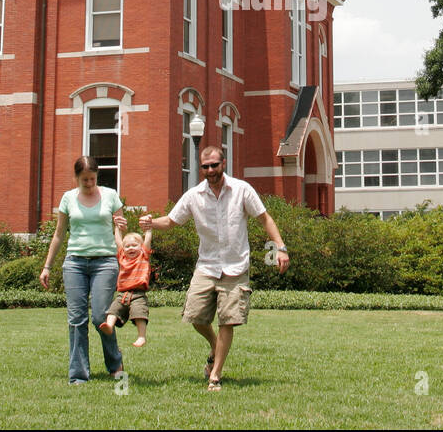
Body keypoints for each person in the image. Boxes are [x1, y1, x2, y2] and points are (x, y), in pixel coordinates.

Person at [141, 145, 289, 391]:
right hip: (207, 266)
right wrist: (150, 223)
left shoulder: (242, 190)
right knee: (195, 317)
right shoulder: (194, 195)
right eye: (205, 167)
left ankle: (215, 375)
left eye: (214, 165)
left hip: (235, 266)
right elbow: (170, 221)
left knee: (227, 321)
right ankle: (214, 345)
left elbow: (265, 219)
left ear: (224, 164)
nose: (210, 170)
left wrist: (280, 248)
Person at [40, 156, 127, 384]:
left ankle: (115, 364)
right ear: (76, 177)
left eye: (92, 179)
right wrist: (47, 266)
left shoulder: (110, 195)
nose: (88, 183)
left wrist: (125, 251)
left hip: (105, 262)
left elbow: (119, 233)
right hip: (75, 263)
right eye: (84, 180)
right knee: (76, 319)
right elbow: (59, 234)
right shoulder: (68, 198)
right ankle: (78, 375)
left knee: (100, 316)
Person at [98, 224, 152, 347]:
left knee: (140, 314)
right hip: (122, 294)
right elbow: (118, 241)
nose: (130, 248)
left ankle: (141, 337)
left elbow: (147, 241)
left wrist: (149, 229)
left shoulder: (143, 255)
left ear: (141, 246)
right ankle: (109, 327)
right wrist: (117, 228)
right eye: (127, 246)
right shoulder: (122, 257)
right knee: (113, 310)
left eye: (134, 245)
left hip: (138, 294)